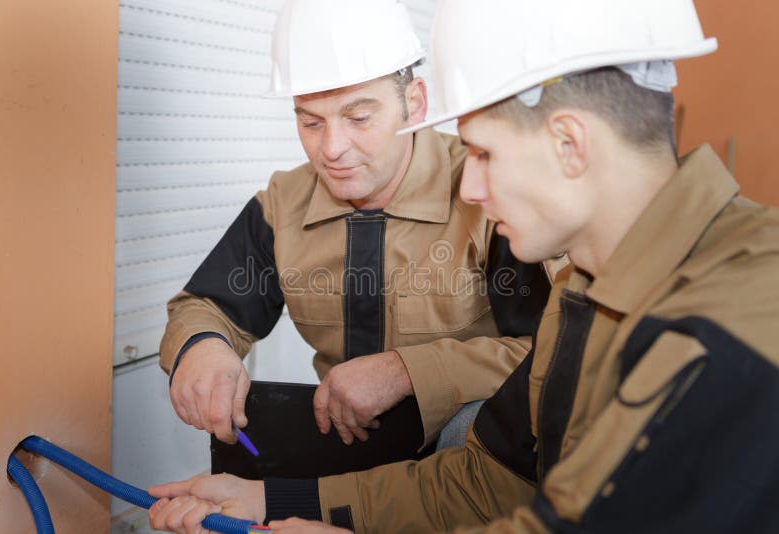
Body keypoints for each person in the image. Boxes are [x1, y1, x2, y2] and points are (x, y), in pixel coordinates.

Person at [147, 0, 779, 532]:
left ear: (569, 143)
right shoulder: (584, 291)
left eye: (482, 152)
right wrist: (274, 500)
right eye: (310, 122)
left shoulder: (729, 326)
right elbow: (487, 481)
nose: (470, 187)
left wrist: (415, 372)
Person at [160, 0, 549, 459]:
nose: (332, 149)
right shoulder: (283, 204)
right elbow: (207, 305)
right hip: (346, 439)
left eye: (359, 118)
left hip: (467, 456)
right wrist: (202, 348)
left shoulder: (485, 191)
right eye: (310, 121)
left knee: (469, 429)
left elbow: (555, 354)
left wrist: (409, 371)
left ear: (416, 103)